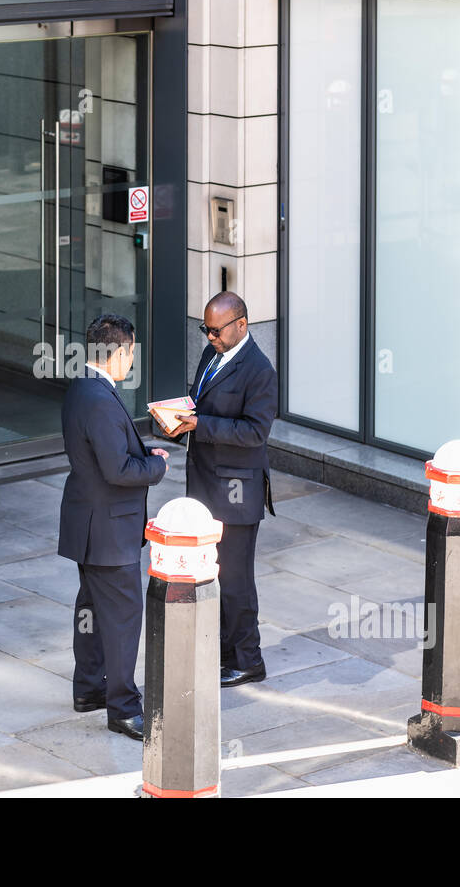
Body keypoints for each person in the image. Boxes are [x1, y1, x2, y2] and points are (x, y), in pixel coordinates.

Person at [58, 314, 170, 739]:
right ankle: (123, 707)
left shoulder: (81, 388)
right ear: (120, 352)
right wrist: (155, 465)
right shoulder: (101, 400)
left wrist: (142, 452)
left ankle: (88, 688)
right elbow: (118, 469)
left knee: (90, 608)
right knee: (123, 617)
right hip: (109, 532)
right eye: (131, 353)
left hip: (88, 525)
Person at [171, 291, 278, 687]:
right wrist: (180, 417)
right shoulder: (211, 355)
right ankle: (221, 652)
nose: (209, 338)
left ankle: (248, 659)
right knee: (210, 575)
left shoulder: (259, 371)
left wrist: (202, 425)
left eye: (215, 331)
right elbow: (201, 403)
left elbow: (255, 432)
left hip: (237, 491)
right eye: (205, 329)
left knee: (235, 579)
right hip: (204, 482)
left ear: (241, 325)